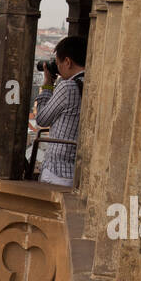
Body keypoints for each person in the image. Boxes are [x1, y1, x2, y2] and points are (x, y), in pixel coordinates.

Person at [34, 35, 87, 186]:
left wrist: (48, 86)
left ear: (68, 62)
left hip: (58, 171)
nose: (57, 68)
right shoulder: (92, 82)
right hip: (76, 171)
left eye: (58, 63)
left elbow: (42, 119)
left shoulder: (68, 87)